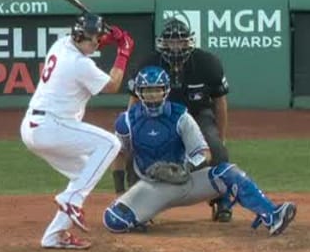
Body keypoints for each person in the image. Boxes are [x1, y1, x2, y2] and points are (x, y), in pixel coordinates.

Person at [105, 68, 297, 237]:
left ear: (165, 91)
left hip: (184, 183)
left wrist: (184, 168)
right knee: (114, 220)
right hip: (150, 186)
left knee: (228, 172)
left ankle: (272, 215)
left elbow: (203, 153)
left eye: (157, 90)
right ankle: (142, 213)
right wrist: (120, 191)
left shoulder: (181, 117)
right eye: (148, 91)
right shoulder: (127, 121)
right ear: (139, 92)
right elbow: (119, 154)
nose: (153, 96)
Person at [22, 14, 133, 250]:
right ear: (81, 37)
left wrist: (105, 37)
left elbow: (87, 41)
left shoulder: (62, 43)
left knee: (85, 172)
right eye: (95, 40)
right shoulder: (79, 64)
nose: (96, 45)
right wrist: (122, 50)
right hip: (52, 126)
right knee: (111, 144)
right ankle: (71, 200)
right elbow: (113, 86)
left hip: (35, 127)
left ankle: (54, 235)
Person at [147, 16, 234, 221]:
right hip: (162, 115)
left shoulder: (208, 63)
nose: (176, 46)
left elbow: (220, 103)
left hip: (198, 114)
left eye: (180, 41)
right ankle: (137, 203)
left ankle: (221, 201)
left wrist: (220, 137)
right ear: (163, 43)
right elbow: (135, 100)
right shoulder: (150, 63)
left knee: (216, 147)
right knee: (142, 145)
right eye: (171, 41)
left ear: (189, 42)